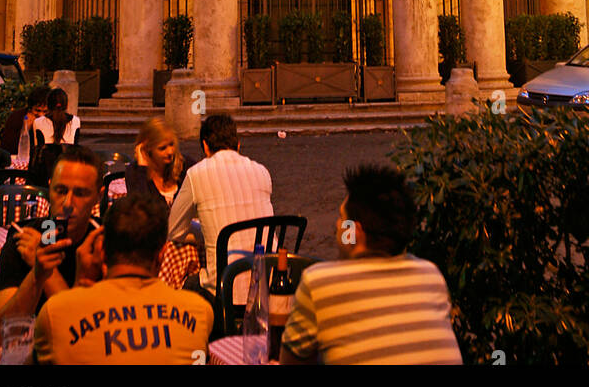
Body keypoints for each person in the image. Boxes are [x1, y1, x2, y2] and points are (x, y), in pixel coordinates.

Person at [280, 164, 463, 365]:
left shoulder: (320, 283)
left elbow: (291, 362)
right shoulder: (431, 276)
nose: (337, 225)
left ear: (355, 231)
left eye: (342, 218)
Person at [33, 194, 213, 365]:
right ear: (162, 255)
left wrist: (80, 283)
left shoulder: (54, 314)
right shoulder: (200, 312)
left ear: (102, 250)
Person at [166, 113, 272, 305]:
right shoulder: (262, 172)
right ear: (238, 144)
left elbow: (174, 229)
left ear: (205, 146)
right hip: (266, 284)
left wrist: (204, 234)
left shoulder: (197, 174)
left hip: (224, 289)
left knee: (188, 284)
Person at [0, 144, 102, 327]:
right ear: (49, 189)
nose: (67, 203)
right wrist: (37, 275)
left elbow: (82, 328)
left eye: (80, 193)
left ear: (99, 196)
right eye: (61, 191)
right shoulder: (24, 238)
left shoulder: (104, 242)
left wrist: (45, 271)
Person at [124, 118, 191, 212]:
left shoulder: (185, 164)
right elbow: (141, 209)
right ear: (148, 149)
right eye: (162, 148)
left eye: (171, 144)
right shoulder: (135, 172)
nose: (170, 152)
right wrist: (142, 169)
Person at [0, 84, 50, 167]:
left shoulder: (51, 120)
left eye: (45, 112)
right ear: (30, 109)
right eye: (37, 111)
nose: (41, 115)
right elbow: (7, 148)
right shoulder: (17, 117)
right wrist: (26, 127)